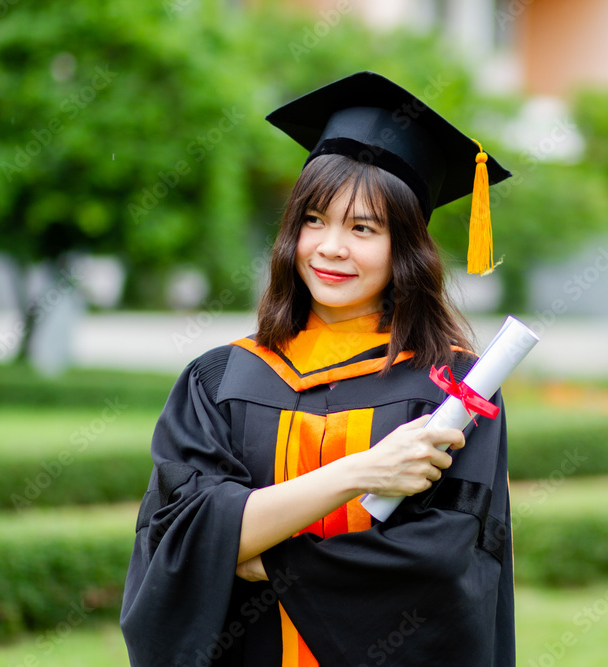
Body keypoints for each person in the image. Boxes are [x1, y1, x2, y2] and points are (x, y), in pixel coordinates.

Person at [120, 71, 515, 667]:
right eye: (314, 219)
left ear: (405, 248)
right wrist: (364, 471)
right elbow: (182, 539)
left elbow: (447, 569)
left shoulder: (452, 393)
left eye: (364, 228)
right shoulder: (222, 380)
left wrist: (263, 560)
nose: (330, 247)